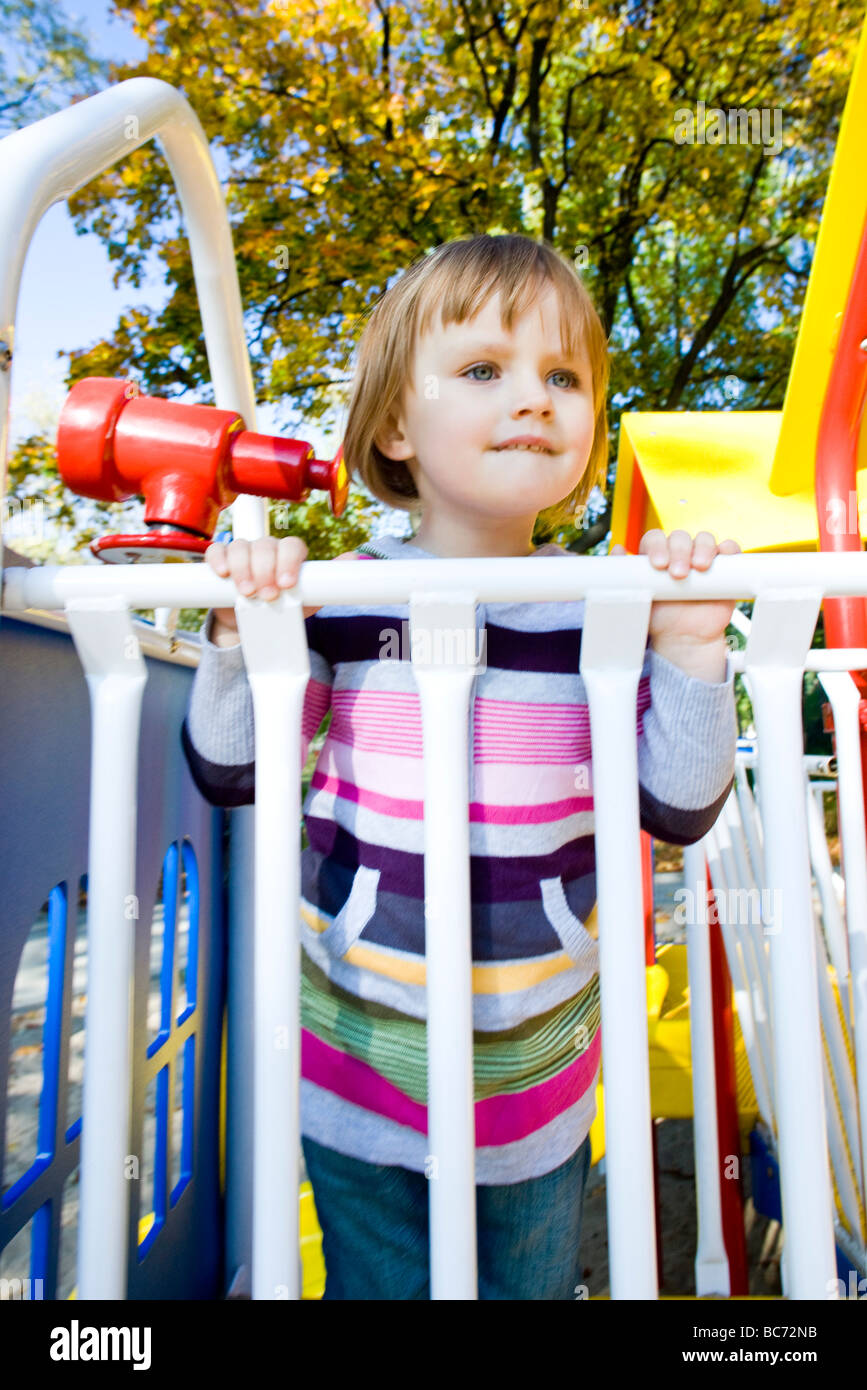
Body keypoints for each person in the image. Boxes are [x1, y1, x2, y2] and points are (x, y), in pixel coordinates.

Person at [181, 232, 742, 1299]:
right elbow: (233, 768)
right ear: (396, 422)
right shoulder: (338, 593)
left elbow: (676, 802)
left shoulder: (604, 603)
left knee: (524, 1291)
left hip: (535, 1070)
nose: (534, 398)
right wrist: (236, 632)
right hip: (357, 1051)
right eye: (484, 370)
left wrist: (690, 646)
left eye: (563, 376)